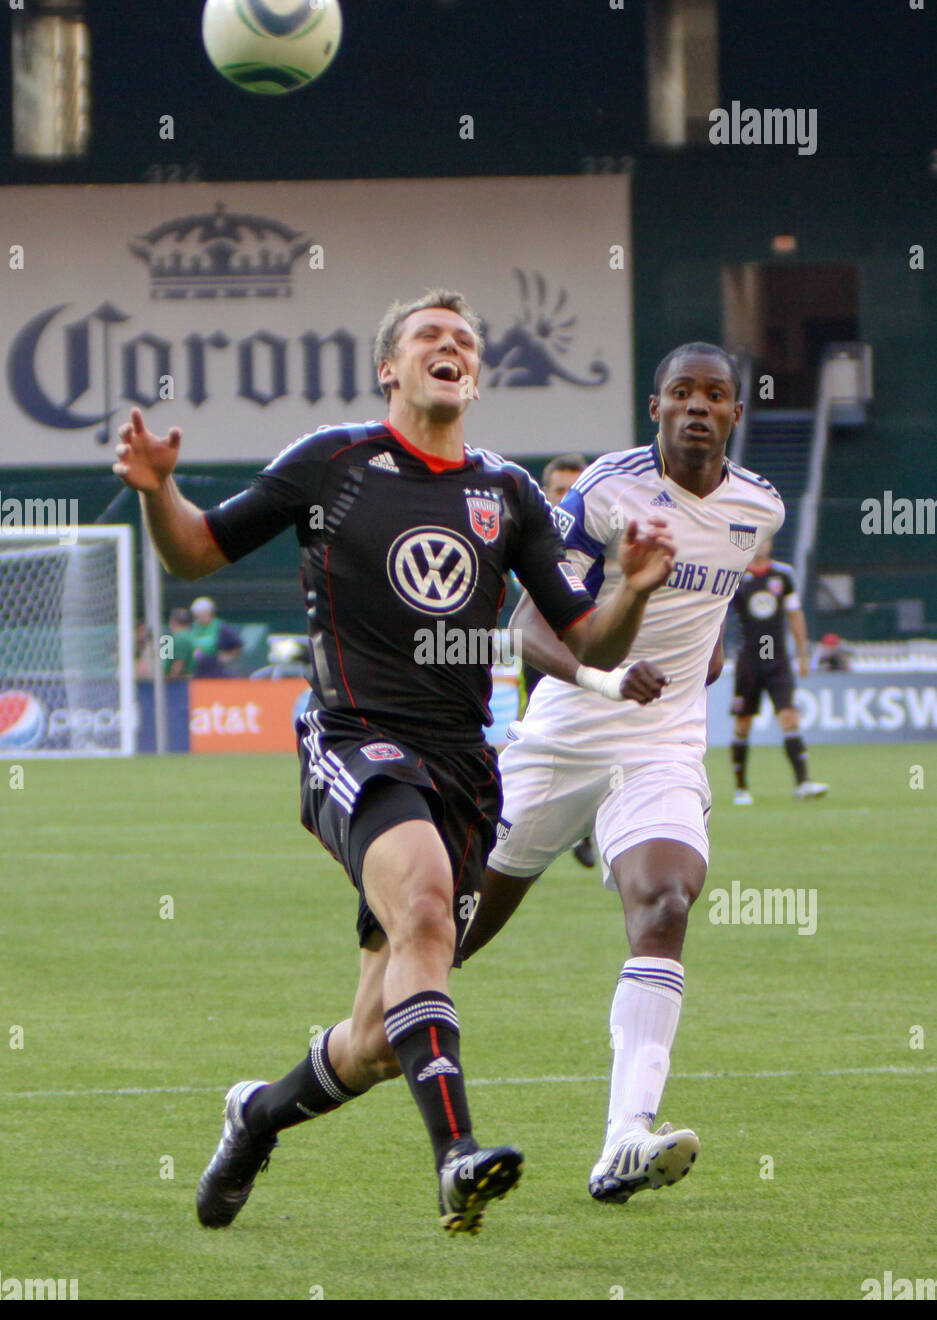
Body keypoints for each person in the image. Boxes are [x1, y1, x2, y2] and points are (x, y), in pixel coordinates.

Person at [112, 288, 676, 1235]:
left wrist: (630, 588)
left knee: (376, 1040)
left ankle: (254, 1116)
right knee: (420, 906)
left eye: (464, 338)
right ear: (391, 367)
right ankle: (456, 1155)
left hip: (463, 771)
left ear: (477, 373)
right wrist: (158, 491)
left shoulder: (507, 492)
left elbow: (591, 641)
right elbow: (196, 555)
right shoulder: (332, 463)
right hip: (354, 737)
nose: (450, 346)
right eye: (429, 337)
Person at [459, 342, 786, 1207]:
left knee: (667, 902)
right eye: (680, 392)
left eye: (714, 395)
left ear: (734, 414)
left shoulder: (759, 508)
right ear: (654, 407)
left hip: (660, 745)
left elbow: (707, 614)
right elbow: (527, 627)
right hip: (562, 736)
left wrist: (702, 655)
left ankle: (624, 1139)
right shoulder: (605, 488)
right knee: (443, 941)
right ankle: (291, 1090)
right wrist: (603, 674)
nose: (696, 408)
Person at [524, 453, 597, 869]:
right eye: (559, 490)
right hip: (540, 653)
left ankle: (584, 826)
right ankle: (532, 826)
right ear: (545, 491)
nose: (566, 497)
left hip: (591, 651)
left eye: (575, 489)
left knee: (594, 738)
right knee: (538, 737)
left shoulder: (597, 533)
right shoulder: (530, 534)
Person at [729, 539, 828, 804]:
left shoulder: (783, 575)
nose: (762, 544)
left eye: (768, 539)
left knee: (789, 718)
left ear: (772, 543)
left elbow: (795, 614)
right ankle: (741, 788)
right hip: (749, 661)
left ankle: (803, 783)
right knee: (743, 723)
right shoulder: (736, 574)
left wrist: (803, 654)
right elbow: (720, 615)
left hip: (778, 660)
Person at [188, 596, 243, 677]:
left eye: (203, 614)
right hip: (197, 670)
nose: (200, 618)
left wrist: (228, 657)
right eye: (197, 616)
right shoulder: (192, 628)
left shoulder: (221, 627)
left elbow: (237, 644)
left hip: (216, 671)